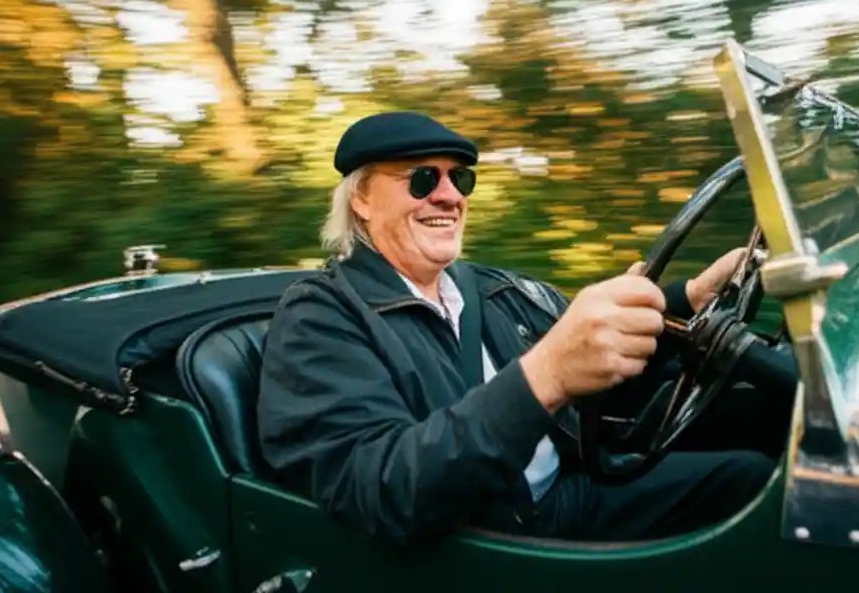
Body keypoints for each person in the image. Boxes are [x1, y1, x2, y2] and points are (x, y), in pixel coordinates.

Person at [256, 111, 780, 547]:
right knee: (753, 489)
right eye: (422, 178)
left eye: (459, 179)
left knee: (761, 434)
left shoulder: (488, 288)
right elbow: (387, 490)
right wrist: (546, 374)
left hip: (572, 478)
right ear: (362, 200)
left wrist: (690, 298)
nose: (449, 196)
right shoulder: (321, 317)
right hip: (497, 536)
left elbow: (577, 340)